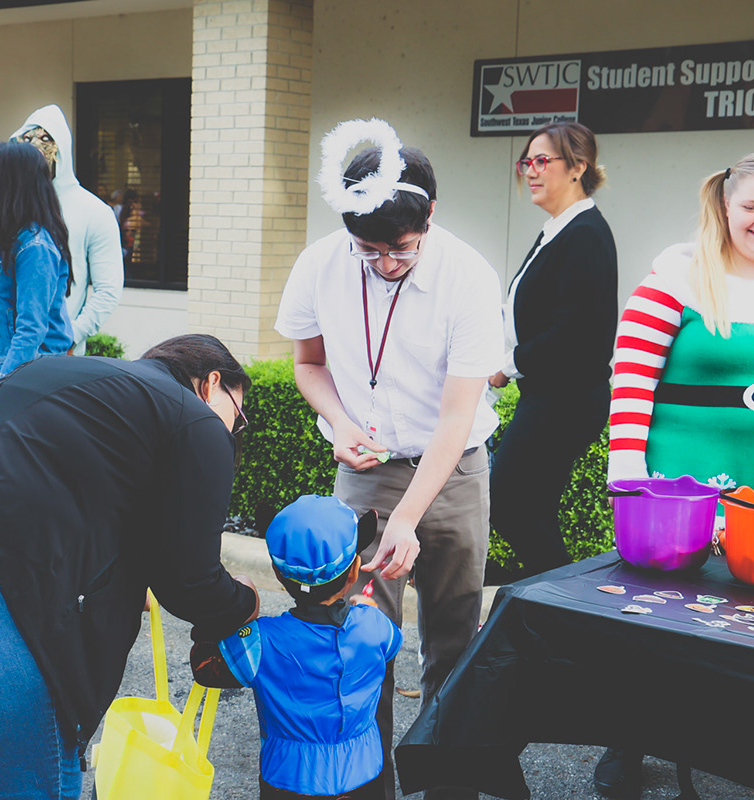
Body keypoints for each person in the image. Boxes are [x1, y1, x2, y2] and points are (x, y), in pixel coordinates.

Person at [0, 333, 259, 800]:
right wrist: (243, 602)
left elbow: (35, 497)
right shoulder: (194, 418)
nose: (232, 433)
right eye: (237, 418)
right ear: (212, 382)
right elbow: (190, 581)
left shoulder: (67, 379)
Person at [275, 119, 502, 800]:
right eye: (366, 249)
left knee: (453, 635)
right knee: (354, 632)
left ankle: (446, 784)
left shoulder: (468, 276)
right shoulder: (320, 262)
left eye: (400, 249)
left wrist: (404, 517)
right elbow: (308, 363)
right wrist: (338, 421)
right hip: (363, 466)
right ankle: (365, 783)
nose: (385, 264)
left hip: (453, 468)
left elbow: (458, 414)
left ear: (430, 214)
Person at [603, 150, 754, 798]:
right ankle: (627, 740)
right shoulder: (680, 268)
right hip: (684, 482)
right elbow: (633, 372)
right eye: (751, 206)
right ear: (724, 204)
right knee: (660, 616)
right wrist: (628, 470)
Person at [192, 494, 401, 800]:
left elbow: (205, 669)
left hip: (289, 781)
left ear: (278, 574)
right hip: (364, 774)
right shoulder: (375, 625)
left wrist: (241, 607)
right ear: (354, 572)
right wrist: (367, 609)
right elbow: (392, 645)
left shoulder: (259, 641)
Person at [488, 122, 618, 577]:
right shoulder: (560, 229)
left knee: (508, 505)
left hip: (565, 400)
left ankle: (566, 604)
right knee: (530, 511)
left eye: (543, 161)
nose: (530, 171)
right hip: (551, 397)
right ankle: (552, 607)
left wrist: (507, 366)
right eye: (527, 161)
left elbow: (576, 333)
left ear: (578, 167)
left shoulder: (583, 233)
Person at [0, 141, 74, 402]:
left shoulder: (35, 246)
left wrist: (3, 391)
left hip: (16, 378)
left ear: (11, 183)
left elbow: (31, 327)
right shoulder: (0, 236)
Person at [11, 105, 123, 355]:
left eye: (44, 138)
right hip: (4, 353)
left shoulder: (94, 211)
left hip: (58, 358)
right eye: (27, 138)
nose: (34, 145)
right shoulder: (7, 207)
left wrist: (72, 334)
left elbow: (109, 289)